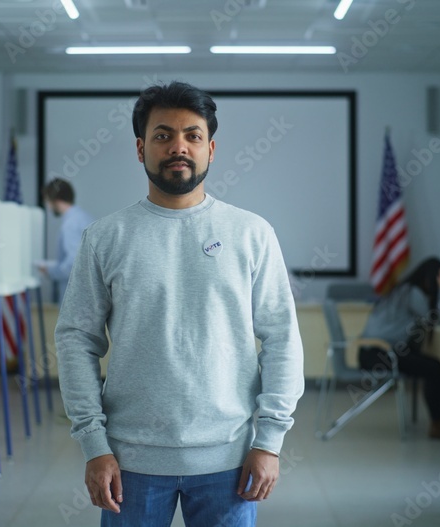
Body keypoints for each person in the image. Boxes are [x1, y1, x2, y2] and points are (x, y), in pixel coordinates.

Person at [55, 81, 304, 527]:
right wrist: (94, 444)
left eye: (192, 135)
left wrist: (268, 442)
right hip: (129, 463)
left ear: (211, 148)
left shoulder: (251, 233)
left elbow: (282, 336)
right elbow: (76, 340)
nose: (178, 147)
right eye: (163, 135)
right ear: (140, 148)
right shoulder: (106, 237)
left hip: (230, 461)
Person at [358, 257, 440, 440]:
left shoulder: (402, 290)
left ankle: (438, 422)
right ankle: (438, 425)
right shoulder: (413, 293)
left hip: (371, 353)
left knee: (426, 363)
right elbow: (435, 319)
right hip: (381, 354)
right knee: (433, 367)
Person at [38, 177, 94, 300]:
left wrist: (50, 271)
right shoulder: (84, 217)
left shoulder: (70, 224)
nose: (48, 206)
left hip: (76, 297)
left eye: (47, 201)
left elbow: (73, 265)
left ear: (55, 200)